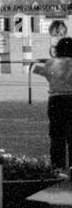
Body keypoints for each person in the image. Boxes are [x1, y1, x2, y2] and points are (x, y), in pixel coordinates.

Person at [33, 37, 72, 179]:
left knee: (57, 135)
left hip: (56, 100)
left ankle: (58, 167)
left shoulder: (50, 63)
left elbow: (40, 71)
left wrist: (40, 65)